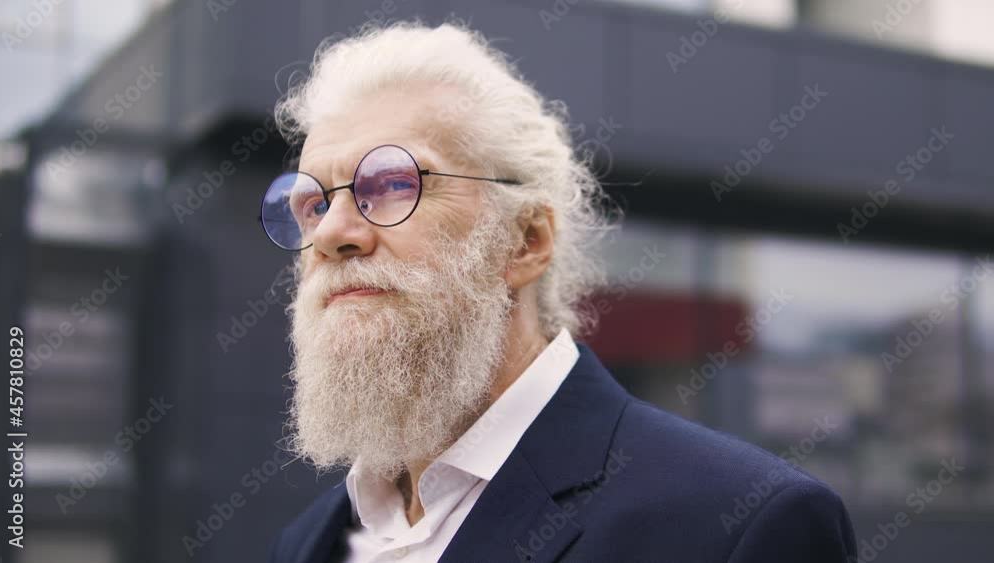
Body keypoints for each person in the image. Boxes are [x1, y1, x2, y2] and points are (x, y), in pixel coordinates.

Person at [262, 19, 856, 563]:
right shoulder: (309, 541)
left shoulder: (740, 524)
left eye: (392, 182)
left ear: (525, 241)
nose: (333, 233)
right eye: (313, 204)